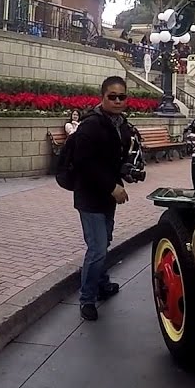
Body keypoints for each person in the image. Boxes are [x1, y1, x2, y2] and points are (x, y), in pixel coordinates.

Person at [69, 76, 132, 321]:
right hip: (90, 196)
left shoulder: (121, 125)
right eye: (112, 96)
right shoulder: (91, 125)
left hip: (107, 197)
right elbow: (84, 163)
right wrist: (111, 187)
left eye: (121, 97)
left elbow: (116, 158)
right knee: (96, 248)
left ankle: (102, 283)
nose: (117, 101)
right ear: (102, 97)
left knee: (103, 243)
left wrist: (126, 171)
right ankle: (87, 299)